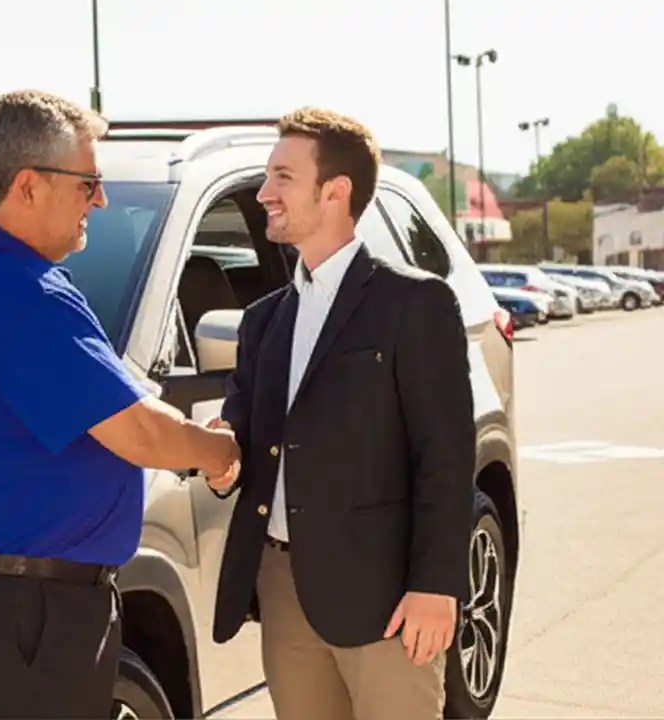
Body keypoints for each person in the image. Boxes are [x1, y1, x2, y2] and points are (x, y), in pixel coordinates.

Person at [0, 89, 240, 720]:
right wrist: (220, 451)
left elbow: (120, 401)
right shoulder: (18, 292)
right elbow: (138, 432)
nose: (101, 200)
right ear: (29, 186)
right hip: (26, 614)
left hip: (6, 607)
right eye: (88, 182)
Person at [208, 107, 475, 720]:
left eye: (282, 177)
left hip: (386, 597)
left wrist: (436, 585)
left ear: (336, 192)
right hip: (282, 589)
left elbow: (445, 454)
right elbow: (250, 441)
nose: (264, 193)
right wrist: (222, 459)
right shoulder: (264, 320)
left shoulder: (415, 303)